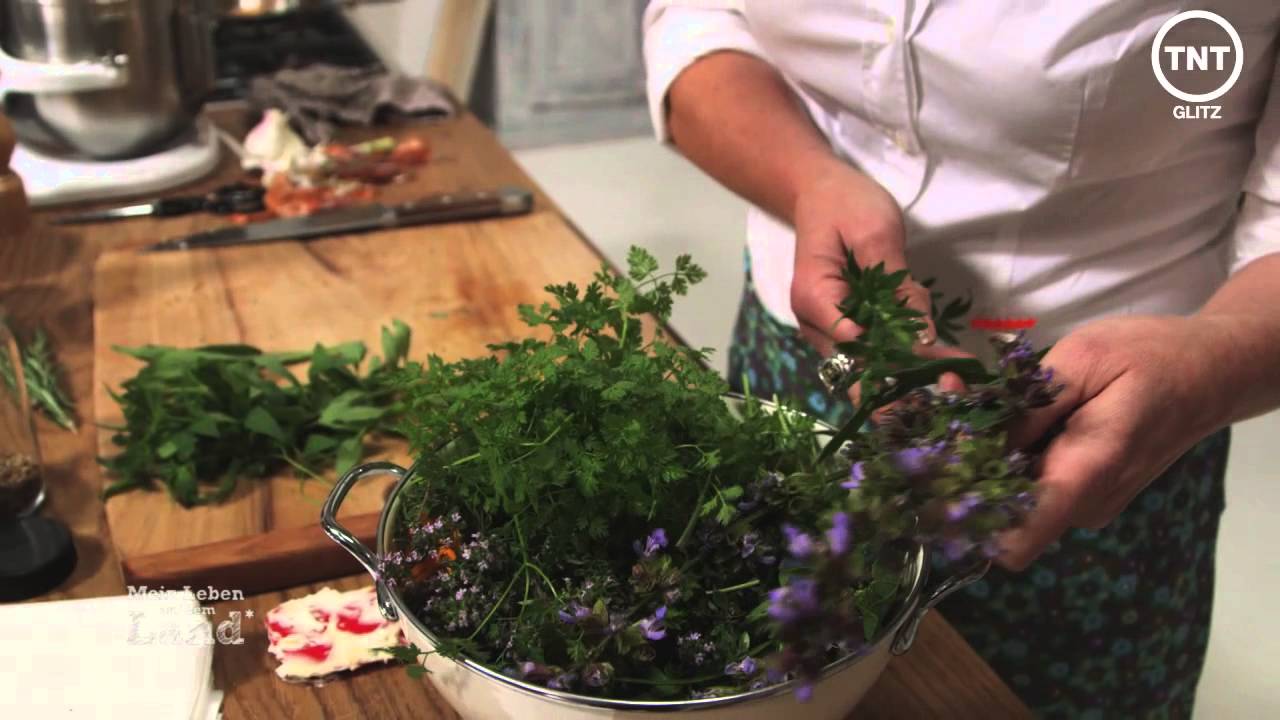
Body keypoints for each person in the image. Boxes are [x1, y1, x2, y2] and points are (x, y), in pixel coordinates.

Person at [642, 2, 1280, 717]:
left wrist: (1212, 360)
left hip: (1106, 430)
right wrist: (809, 181)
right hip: (805, 358)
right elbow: (696, 17)